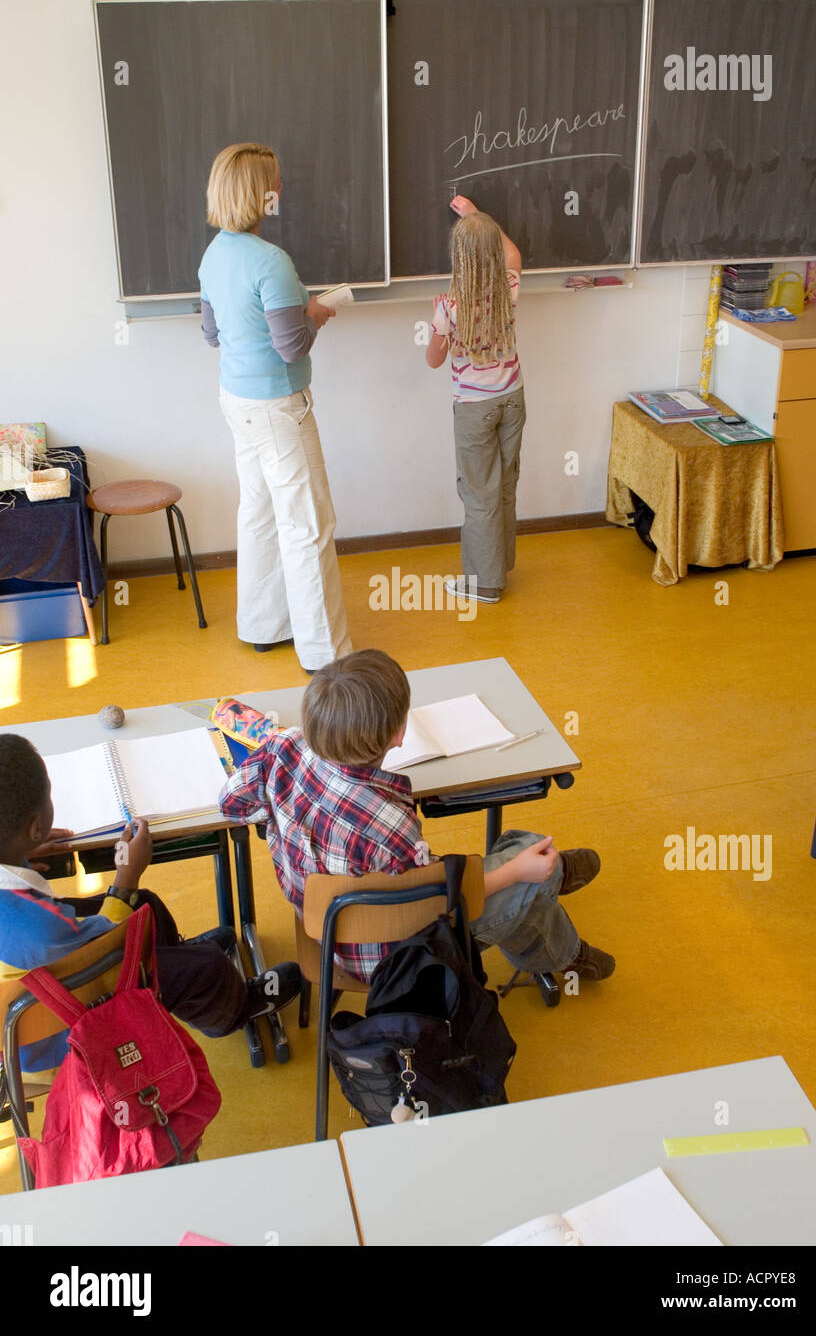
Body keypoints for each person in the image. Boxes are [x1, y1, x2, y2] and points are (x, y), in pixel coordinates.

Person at [220, 649, 615, 986]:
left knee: (521, 867)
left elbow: (231, 805)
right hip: (391, 960)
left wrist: (282, 809)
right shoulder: (390, 827)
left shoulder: (282, 746)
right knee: (523, 855)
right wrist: (514, 874)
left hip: (319, 927)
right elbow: (436, 904)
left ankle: (552, 890)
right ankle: (559, 906)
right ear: (398, 735)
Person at [0, 735, 301, 1072]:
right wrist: (127, 876)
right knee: (207, 966)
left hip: (37, 982)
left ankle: (175, 961)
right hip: (54, 1029)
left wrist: (18, 852)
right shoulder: (35, 925)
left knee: (145, 906)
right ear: (36, 825)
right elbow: (102, 943)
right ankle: (239, 1006)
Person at [198, 142, 352, 671]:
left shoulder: (213, 255)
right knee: (308, 522)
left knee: (259, 512)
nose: (280, 191)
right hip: (280, 407)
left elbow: (212, 333)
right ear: (260, 193)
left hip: (236, 400)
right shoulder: (271, 261)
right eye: (275, 183)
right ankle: (324, 652)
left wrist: (292, 315)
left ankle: (264, 625)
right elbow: (293, 346)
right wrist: (316, 314)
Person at [426, 195, 526, 606]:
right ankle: (498, 566)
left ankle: (484, 584)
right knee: (503, 486)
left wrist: (441, 329)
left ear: (457, 257)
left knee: (478, 494)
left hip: (474, 408)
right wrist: (477, 216)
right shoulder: (510, 287)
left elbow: (433, 360)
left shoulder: (450, 307)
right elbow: (513, 253)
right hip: (513, 399)